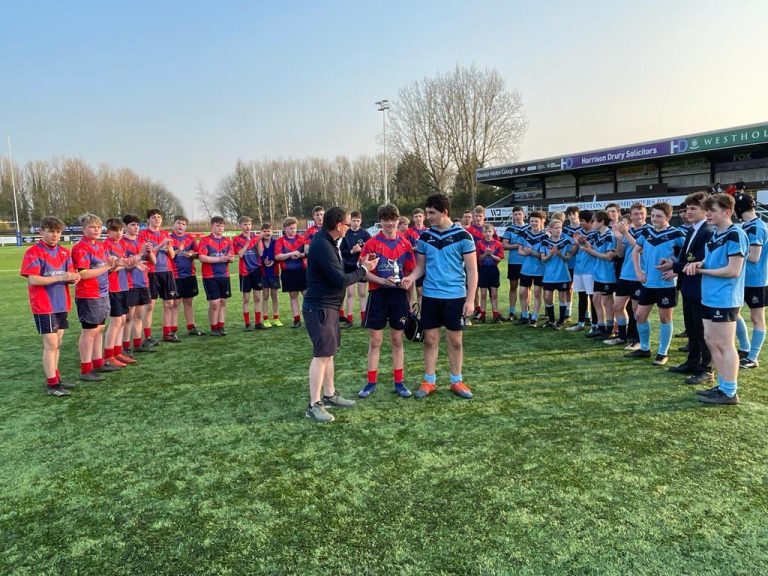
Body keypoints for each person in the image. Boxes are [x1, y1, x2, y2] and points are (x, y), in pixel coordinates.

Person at [303, 207, 379, 423]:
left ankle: (329, 395)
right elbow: (339, 279)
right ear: (339, 225)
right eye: (347, 223)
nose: (349, 227)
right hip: (320, 307)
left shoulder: (327, 242)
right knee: (321, 355)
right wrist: (363, 271)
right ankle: (314, 404)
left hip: (329, 307)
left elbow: (341, 267)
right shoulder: (322, 244)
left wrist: (361, 266)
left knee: (329, 353)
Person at [401, 193, 478, 399]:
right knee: (430, 339)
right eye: (426, 213)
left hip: (455, 297)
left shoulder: (464, 236)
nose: (428, 217)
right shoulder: (425, 236)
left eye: (432, 213)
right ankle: (429, 380)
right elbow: (420, 267)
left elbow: (472, 271)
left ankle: (456, 380)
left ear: (445, 212)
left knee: (455, 341)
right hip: (431, 296)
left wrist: (470, 300)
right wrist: (410, 278)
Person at [684, 194, 749, 405]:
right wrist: (698, 263)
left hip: (725, 298)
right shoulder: (715, 235)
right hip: (709, 296)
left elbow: (733, 270)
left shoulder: (735, 234)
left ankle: (730, 391)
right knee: (711, 341)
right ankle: (723, 386)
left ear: (727, 212)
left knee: (725, 344)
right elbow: (710, 260)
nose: (708, 214)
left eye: (712, 210)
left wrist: (702, 270)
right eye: (707, 210)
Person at [357, 203, 415, 399]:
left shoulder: (406, 244)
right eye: (385, 219)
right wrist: (382, 280)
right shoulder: (372, 244)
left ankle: (399, 382)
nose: (390, 223)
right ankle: (370, 382)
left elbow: (410, 272)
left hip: (398, 296)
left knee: (397, 340)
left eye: (393, 219)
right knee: (375, 341)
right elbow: (363, 274)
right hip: (378, 295)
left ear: (398, 220)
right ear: (380, 221)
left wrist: (410, 292)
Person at [20, 216, 80, 397]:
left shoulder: (64, 252)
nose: (55, 235)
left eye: (58, 232)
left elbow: (71, 274)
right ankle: (52, 385)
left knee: (58, 344)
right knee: (51, 344)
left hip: (62, 303)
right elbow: (33, 278)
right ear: (41, 232)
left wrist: (73, 278)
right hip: (43, 304)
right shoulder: (33, 252)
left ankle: (56, 379)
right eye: (51, 231)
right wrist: (61, 277)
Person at [658, 192, 714, 384]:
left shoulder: (707, 231)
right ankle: (692, 362)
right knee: (692, 328)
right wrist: (673, 264)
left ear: (705, 211)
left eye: (693, 208)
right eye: (687, 208)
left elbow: (700, 263)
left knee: (702, 329)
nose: (688, 212)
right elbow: (685, 260)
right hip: (688, 286)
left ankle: (706, 368)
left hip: (700, 287)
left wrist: (673, 266)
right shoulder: (692, 230)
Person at [620, 202, 686, 365]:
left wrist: (676, 270)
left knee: (665, 318)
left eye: (659, 216)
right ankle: (644, 348)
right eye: (653, 215)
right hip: (648, 284)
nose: (655, 219)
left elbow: (688, 256)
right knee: (640, 316)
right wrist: (638, 271)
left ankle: (662, 353)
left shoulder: (677, 234)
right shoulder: (647, 232)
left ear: (669, 217)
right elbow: (636, 250)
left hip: (666, 285)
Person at [72, 214, 118, 381]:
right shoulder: (80, 247)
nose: (96, 230)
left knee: (99, 329)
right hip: (89, 295)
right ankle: (85, 369)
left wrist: (112, 263)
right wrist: (107, 265)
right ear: (84, 229)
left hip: (102, 293)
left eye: (98, 227)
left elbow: (106, 268)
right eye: (92, 227)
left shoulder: (99, 246)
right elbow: (83, 274)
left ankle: (98, 362)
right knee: (89, 331)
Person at [605, 204, 647, 348]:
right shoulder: (627, 230)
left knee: (636, 310)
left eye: (641, 213)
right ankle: (622, 336)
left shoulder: (649, 230)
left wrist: (626, 233)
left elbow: (640, 249)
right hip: (625, 274)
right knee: (617, 306)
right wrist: (618, 237)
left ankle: (636, 340)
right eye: (636, 214)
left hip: (639, 275)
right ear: (631, 215)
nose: (639, 216)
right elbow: (621, 253)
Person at [735, 192, 767, 369]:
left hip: (756, 281)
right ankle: (745, 347)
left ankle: (753, 357)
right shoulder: (746, 226)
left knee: (757, 318)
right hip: (742, 279)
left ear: (739, 209)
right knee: (735, 313)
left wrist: (732, 255)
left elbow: (754, 256)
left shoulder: (756, 227)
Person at [138, 209, 178, 345]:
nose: (157, 219)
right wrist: (161, 245)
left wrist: (169, 248)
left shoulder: (165, 234)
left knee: (169, 303)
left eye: (159, 217)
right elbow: (143, 254)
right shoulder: (143, 235)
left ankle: (167, 333)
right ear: (148, 220)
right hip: (151, 272)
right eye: (154, 217)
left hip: (167, 271)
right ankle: (147, 336)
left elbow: (172, 255)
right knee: (150, 305)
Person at [577, 210, 616, 339]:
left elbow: (609, 257)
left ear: (602, 222)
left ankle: (609, 330)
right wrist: (584, 243)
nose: (592, 223)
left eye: (594, 221)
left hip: (607, 274)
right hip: (598, 273)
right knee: (596, 300)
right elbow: (593, 249)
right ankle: (600, 327)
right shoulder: (598, 235)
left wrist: (591, 252)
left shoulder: (610, 235)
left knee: (607, 303)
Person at [102, 219, 135, 367]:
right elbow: (110, 268)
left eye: (121, 230)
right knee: (115, 322)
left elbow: (124, 264)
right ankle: (108, 355)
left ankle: (117, 352)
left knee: (122, 320)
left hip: (123, 286)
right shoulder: (105, 246)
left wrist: (131, 263)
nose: (119, 233)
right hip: (113, 288)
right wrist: (126, 263)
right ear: (108, 231)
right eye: (115, 230)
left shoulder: (121, 244)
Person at [120, 214, 156, 354]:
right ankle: (126, 346)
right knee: (128, 317)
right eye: (132, 225)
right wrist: (139, 256)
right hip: (129, 284)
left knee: (139, 315)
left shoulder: (142, 241)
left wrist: (150, 251)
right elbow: (125, 265)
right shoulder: (122, 243)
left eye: (137, 225)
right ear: (125, 227)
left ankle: (138, 343)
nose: (136, 227)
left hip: (143, 282)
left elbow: (153, 262)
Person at [197, 216, 235, 336]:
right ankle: (214, 328)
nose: (220, 228)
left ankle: (221, 325)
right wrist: (220, 259)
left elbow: (232, 257)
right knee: (214, 303)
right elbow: (202, 257)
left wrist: (230, 258)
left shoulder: (228, 241)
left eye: (222, 226)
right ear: (212, 226)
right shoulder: (204, 240)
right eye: (217, 225)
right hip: (210, 276)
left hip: (224, 275)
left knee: (223, 301)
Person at [169, 216, 205, 337]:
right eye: (178, 223)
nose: (180, 226)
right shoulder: (168, 239)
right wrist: (178, 251)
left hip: (189, 274)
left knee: (188, 302)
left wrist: (192, 254)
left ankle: (191, 326)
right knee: (175, 303)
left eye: (183, 224)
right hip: (175, 275)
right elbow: (167, 256)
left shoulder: (190, 238)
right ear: (173, 225)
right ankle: (172, 330)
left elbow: (199, 253)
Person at [515, 211, 548, 327]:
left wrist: (532, 252)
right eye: (532, 221)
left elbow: (544, 257)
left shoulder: (545, 237)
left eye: (536, 221)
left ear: (542, 222)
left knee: (537, 293)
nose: (534, 223)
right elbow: (519, 250)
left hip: (539, 270)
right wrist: (524, 252)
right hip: (526, 269)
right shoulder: (524, 234)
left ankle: (534, 317)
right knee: (522, 292)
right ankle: (524, 315)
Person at [234, 216, 266, 331]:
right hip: (245, 272)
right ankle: (247, 324)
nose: (247, 227)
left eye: (249, 224)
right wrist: (249, 242)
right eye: (244, 224)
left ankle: (258, 322)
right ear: (240, 226)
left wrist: (260, 242)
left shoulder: (256, 238)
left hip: (256, 270)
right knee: (246, 298)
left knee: (258, 297)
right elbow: (241, 254)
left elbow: (261, 253)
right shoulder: (237, 239)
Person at [539, 218, 573, 328]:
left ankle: (561, 321)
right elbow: (543, 259)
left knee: (562, 297)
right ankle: (552, 320)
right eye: (556, 228)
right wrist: (551, 254)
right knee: (548, 297)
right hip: (549, 275)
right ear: (550, 229)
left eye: (560, 228)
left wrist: (560, 255)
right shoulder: (545, 242)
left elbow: (568, 258)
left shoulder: (566, 242)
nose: (558, 230)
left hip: (562, 274)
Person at [340, 210, 371, 328]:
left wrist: (361, 249)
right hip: (348, 266)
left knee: (362, 293)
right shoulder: (345, 234)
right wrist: (351, 251)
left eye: (358, 221)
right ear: (350, 221)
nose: (355, 223)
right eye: (353, 221)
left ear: (361, 221)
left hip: (361, 266)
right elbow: (341, 251)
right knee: (350, 293)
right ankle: (349, 318)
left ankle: (364, 319)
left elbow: (370, 249)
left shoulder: (365, 234)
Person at [274, 217, 307, 328]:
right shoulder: (280, 241)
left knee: (306, 294)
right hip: (288, 272)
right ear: (285, 228)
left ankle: (309, 317)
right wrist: (291, 254)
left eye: (295, 228)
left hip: (302, 270)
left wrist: (300, 255)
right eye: (291, 228)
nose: (293, 230)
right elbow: (278, 256)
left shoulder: (302, 239)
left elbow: (307, 253)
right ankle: (296, 319)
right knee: (293, 296)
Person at [566, 210, 595, 332]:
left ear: (590, 222)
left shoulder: (595, 234)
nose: (581, 223)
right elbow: (573, 252)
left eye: (582, 221)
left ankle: (595, 324)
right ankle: (581, 322)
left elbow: (594, 250)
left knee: (593, 298)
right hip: (579, 269)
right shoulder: (579, 233)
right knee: (581, 296)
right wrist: (576, 243)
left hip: (590, 270)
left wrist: (584, 242)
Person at [501, 207, 528, 321]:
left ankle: (525, 311)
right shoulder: (509, 229)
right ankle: (512, 311)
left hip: (526, 262)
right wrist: (517, 246)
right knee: (513, 286)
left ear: (524, 215)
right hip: (513, 262)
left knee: (526, 288)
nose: (517, 216)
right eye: (515, 214)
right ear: (513, 216)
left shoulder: (529, 228)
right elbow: (504, 245)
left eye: (519, 214)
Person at [475, 223, 505, 323]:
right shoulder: (479, 243)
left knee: (494, 294)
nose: (487, 234)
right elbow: (478, 258)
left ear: (493, 232)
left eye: (489, 231)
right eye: (485, 232)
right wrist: (485, 254)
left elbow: (500, 258)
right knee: (483, 294)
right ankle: (482, 315)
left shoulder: (498, 244)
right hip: (483, 270)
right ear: (482, 233)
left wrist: (491, 255)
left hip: (493, 270)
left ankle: (495, 315)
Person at [257, 222, 283, 327]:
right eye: (264, 231)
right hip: (263, 273)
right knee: (265, 295)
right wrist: (264, 261)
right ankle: (266, 318)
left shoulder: (276, 242)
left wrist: (273, 261)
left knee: (274, 295)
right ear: (261, 232)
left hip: (274, 272)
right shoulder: (259, 242)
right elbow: (259, 254)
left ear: (272, 232)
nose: (267, 233)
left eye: (268, 231)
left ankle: (276, 318)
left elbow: (278, 254)